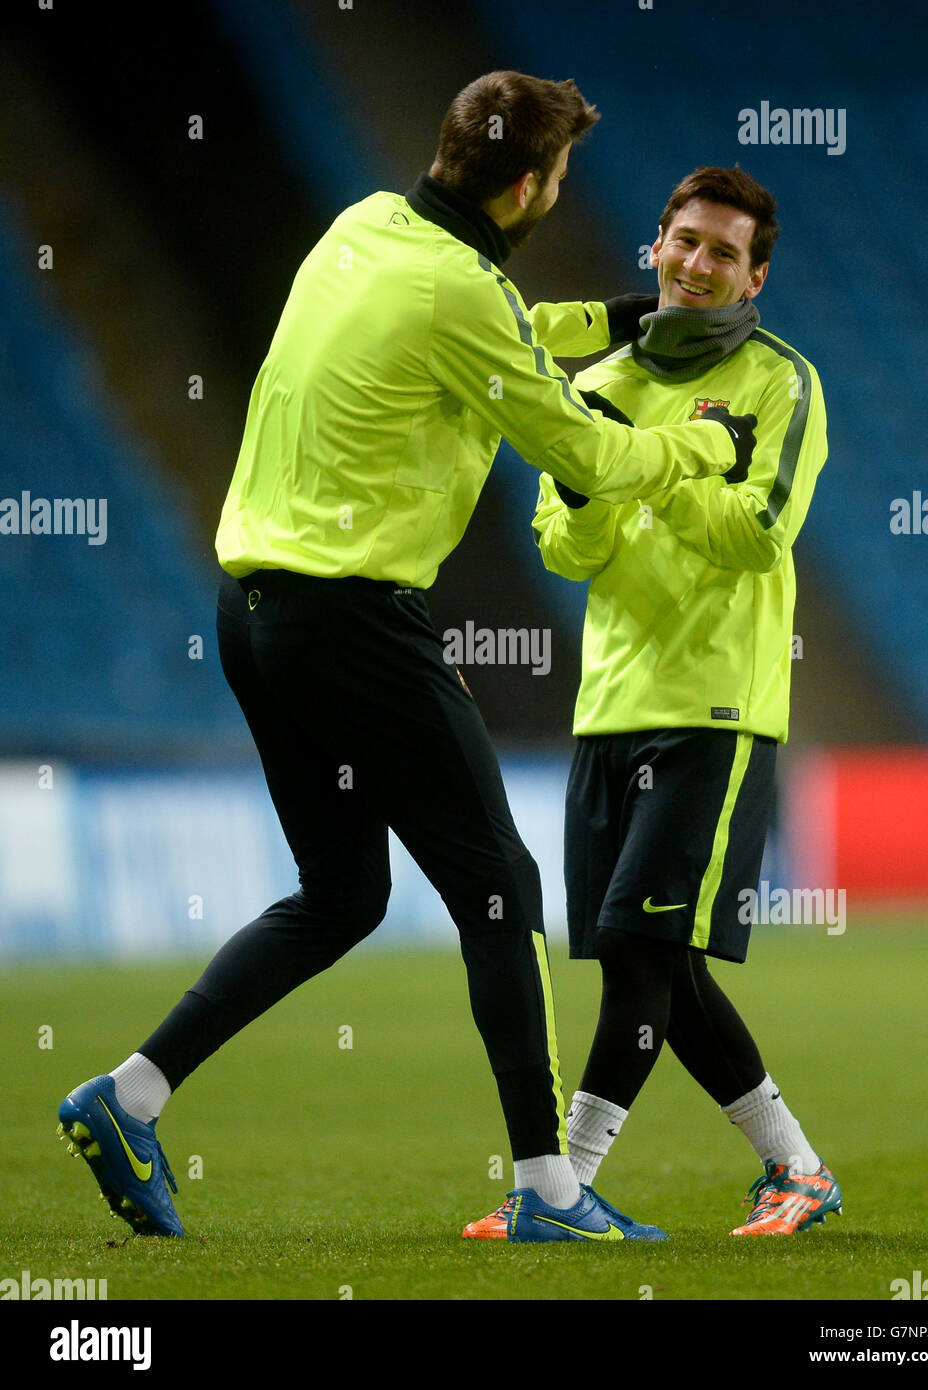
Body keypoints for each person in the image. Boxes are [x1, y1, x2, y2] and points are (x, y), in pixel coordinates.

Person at [56, 78, 758, 1244]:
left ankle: (128, 1096)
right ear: (531, 186)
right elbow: (583, 447)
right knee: (503, 891)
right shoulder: (467, 295)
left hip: (252, 610)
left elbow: (485, 337)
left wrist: (613, 318)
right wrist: (702, 443)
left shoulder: (362, 227)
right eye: (561, 180)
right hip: (352, 621)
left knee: (343, 894)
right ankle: (547, 1187)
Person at [464, 166, 840, 1241]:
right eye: (683, 240)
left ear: (753, 273)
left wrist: (645, 467)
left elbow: (754, 531)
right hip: (609, 704)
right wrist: (627, 471)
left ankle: (557, 1189)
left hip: (715, 707)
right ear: (655, 247)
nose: (696, 262)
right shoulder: (598, 381)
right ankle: (797, 1170)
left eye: (723, 251)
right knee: (652, 960)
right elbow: (564, 545)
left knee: (638, 951)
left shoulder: (783, 383)